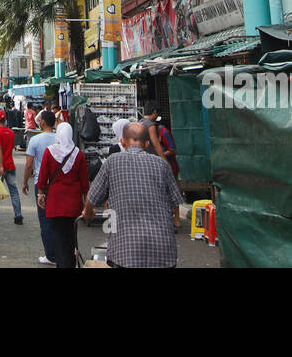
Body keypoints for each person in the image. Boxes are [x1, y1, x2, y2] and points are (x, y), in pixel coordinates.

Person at [83, 123, 184, 268]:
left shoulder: (112, 161)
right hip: (163, 250)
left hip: (125, 252)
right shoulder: (161, 164)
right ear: (147, 144)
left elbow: (92, 197)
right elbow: (175, 205)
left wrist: (87, 212)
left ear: (123, 141)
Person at [37, 122, 89, 268]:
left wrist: (40, 194)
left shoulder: (50, 151)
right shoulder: (78, 154)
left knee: (58, 237)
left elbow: (43, 177)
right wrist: (87, 203)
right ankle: (69, 263)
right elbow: (85, 182)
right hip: (73, 203)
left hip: (55, 203)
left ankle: (62, 263)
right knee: (70, 237)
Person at [23, 109, 58, 265]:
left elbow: (29, 164)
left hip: (41, 185)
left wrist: (24, 183)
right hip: (58, 184)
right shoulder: (60, 138)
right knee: (58, 219)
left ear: (42, 122)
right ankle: (60, 251)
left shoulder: (35, 140)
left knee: (44, 220)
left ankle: (50, 255)